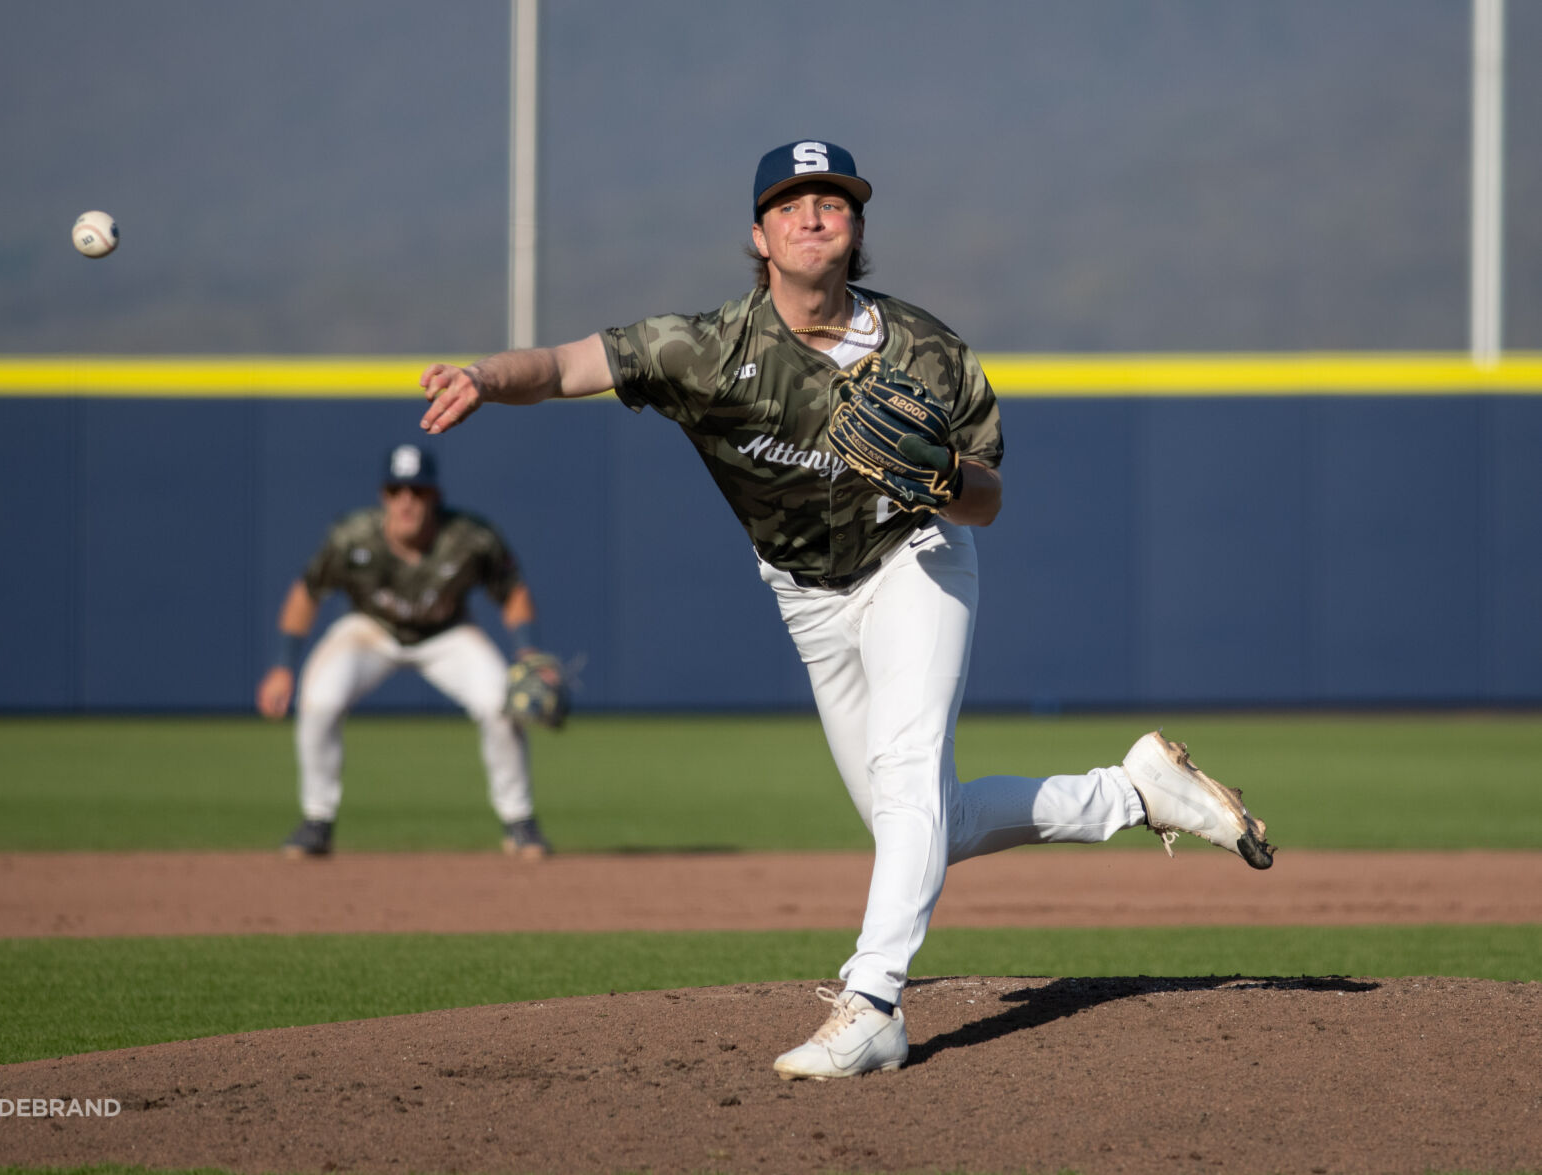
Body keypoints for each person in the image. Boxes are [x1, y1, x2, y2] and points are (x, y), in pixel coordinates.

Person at [416, 140, 1274, 1079]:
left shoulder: (926, 349)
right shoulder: (703, 350)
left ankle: (871, 1004)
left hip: (916, 557)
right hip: (807, 598)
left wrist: (942, 475)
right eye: (791, 203)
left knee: (907, 781)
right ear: (760, 234)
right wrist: (485, 380)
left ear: (856, 227)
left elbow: (987, 496)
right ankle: (1133, 792)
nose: (813, 214)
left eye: (832, 200)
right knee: (915, 822)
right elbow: (565, 362)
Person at [256, 442, 553, 861]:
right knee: (319, 701)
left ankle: (519, 822)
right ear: (384, 496)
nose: (407, 501)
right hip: (370, 630)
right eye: (397, 490)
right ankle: (316, 821)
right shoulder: (352, 536)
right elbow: (306, 592)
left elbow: (513, 593)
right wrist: (283, 667)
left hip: (447, 633)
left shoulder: (470, 538)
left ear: (436, 496)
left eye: (419, 491)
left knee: (498, 704)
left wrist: (526, 653)